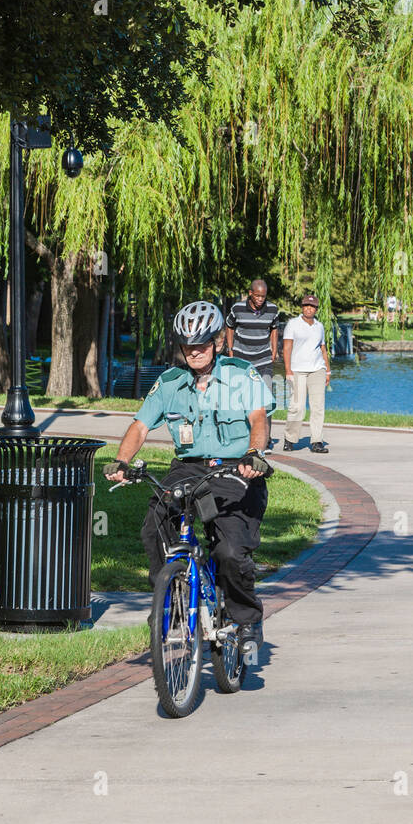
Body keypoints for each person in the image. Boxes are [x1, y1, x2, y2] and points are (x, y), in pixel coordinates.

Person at [104, 301, 274, 654]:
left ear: (216, 343)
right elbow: (140, 425)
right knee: (154, 526)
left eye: (201, 344)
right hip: (188, 468)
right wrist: (122, 461)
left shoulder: (242, 375)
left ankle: (246, 620)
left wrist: (254, 454)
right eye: (188, 346)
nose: (194, 352)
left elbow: (259, 418)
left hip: (234, 468)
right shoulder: (169, 383)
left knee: (229, 551)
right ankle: (171, 600)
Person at [225, 279, 279, 451]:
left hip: (263, 360)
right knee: (239, 399)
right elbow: (229, 326)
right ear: (250, 293)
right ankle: (242, 436)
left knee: (266, 399)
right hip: (241, 360)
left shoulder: (273, 309)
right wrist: (230, 348)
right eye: (257, 296)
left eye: (263, 296)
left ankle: (266, 440)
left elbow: (274, 328)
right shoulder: (237, 308)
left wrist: (274, 350)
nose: (260, 299)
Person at [282, 293, 331, 454]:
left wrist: (328, 370)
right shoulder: (293, 324)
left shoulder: (319, 326)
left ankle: (317, 441)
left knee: (318, 407)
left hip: (317, 369)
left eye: (312, 306)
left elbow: (323, 349)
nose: (309, 309)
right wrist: (288, 370)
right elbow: (287, 348)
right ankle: (290, 439)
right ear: (302, 307)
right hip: (297, 370)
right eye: (306, 306)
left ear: (316, 309)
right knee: (297, 406)